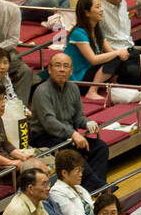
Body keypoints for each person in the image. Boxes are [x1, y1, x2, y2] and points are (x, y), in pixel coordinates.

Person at [29, 52, 110, 190]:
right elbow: (49, 123)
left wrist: (87, 123)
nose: (62, 69)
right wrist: (73, 134)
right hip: (45, 138)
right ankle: (99, 188)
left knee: (100, 147)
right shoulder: (41, 91)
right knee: (73, 154)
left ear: (71, 70)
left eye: (66, 66)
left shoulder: (73, 88)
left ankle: (91, 190)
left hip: (67, 136)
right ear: (49, 69)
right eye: (58, 65)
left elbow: (78, 116)